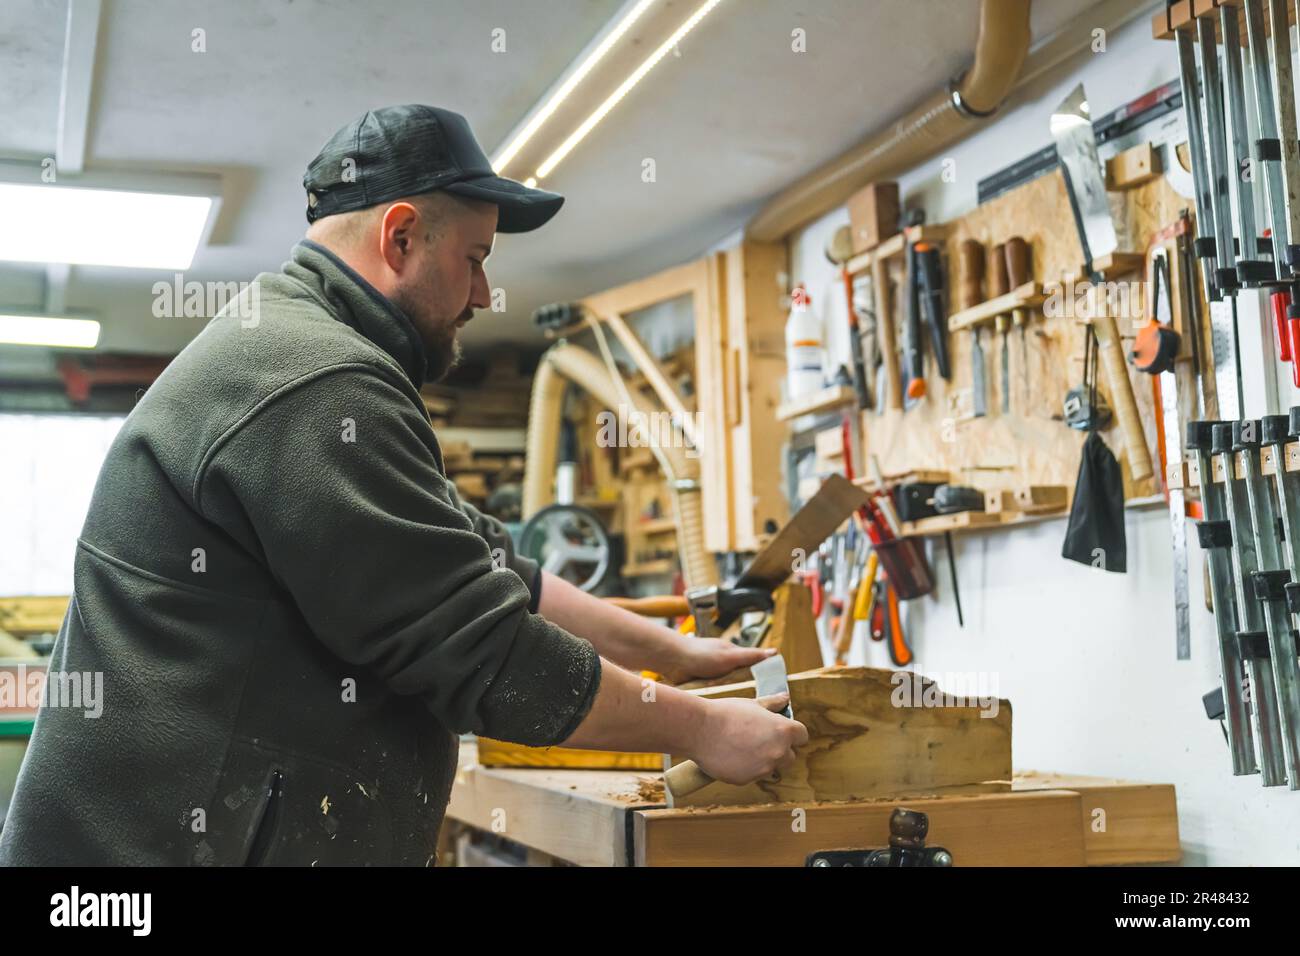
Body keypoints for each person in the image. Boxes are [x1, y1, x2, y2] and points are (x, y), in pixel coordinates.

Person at [0, 105, 806, 866]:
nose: (487, 295)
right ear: (401, 237)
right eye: (477, 258)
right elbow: (477, 646)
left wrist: (676, 653)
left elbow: (483, 568)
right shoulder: (317, 383)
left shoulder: (307, 351)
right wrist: (703, 730)